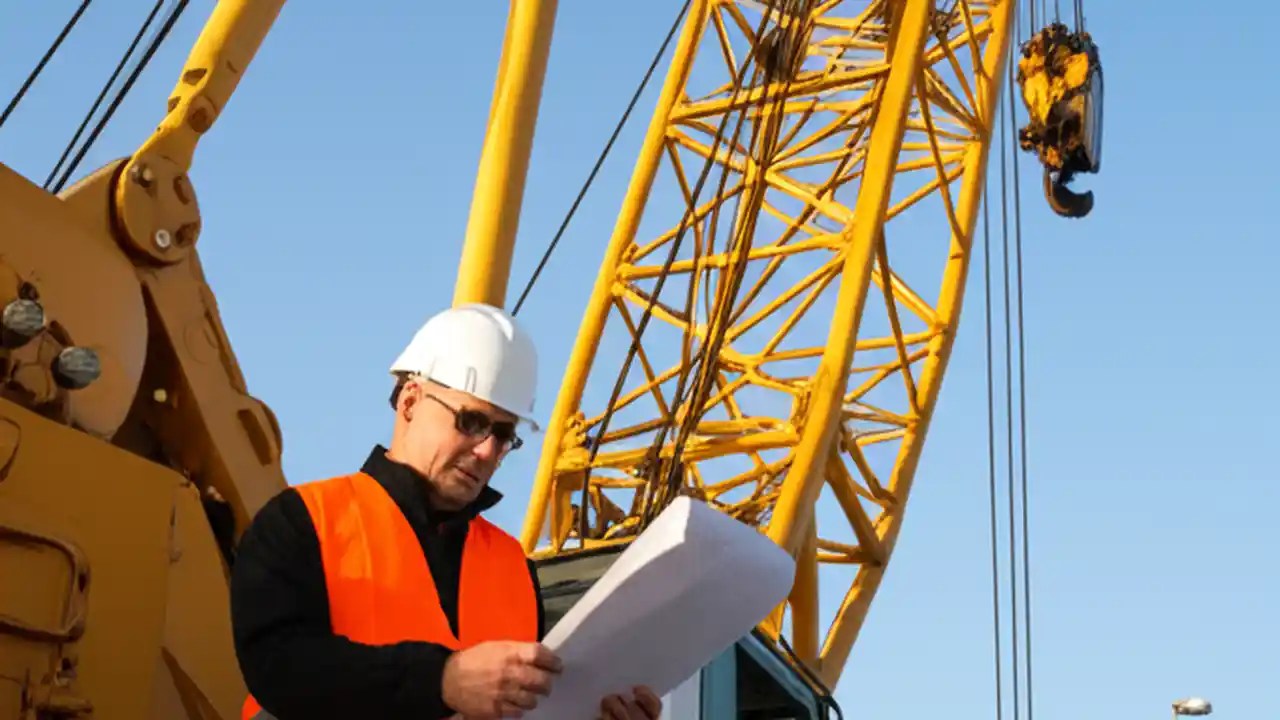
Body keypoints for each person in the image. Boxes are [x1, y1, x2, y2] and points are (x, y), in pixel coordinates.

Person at [230, 303, 663, 720]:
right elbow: (277, 667)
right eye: (471, 422)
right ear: (411, 402)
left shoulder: (512, 566)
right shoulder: (303, 520)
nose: (488, 450)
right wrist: (442, 681)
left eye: (504, 435)